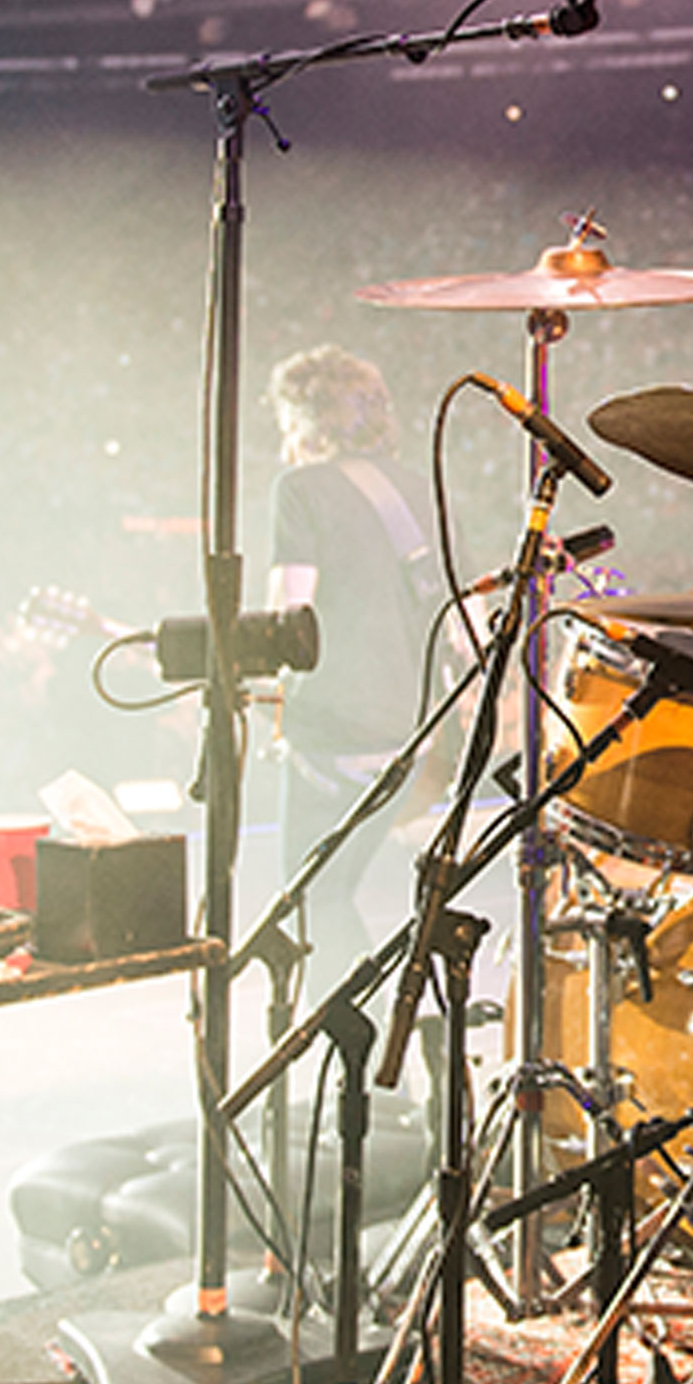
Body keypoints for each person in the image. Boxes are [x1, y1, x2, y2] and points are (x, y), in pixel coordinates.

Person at [264, 345, 442, 975]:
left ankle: (359, 1059)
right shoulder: (416, 491)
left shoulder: (301, 489)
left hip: (333, 734)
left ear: (308, 420)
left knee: (313, 897)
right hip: (408, 734)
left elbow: (290, 617)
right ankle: (389, 1043)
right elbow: (460, 614)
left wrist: (250, 668)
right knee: (336, 893)